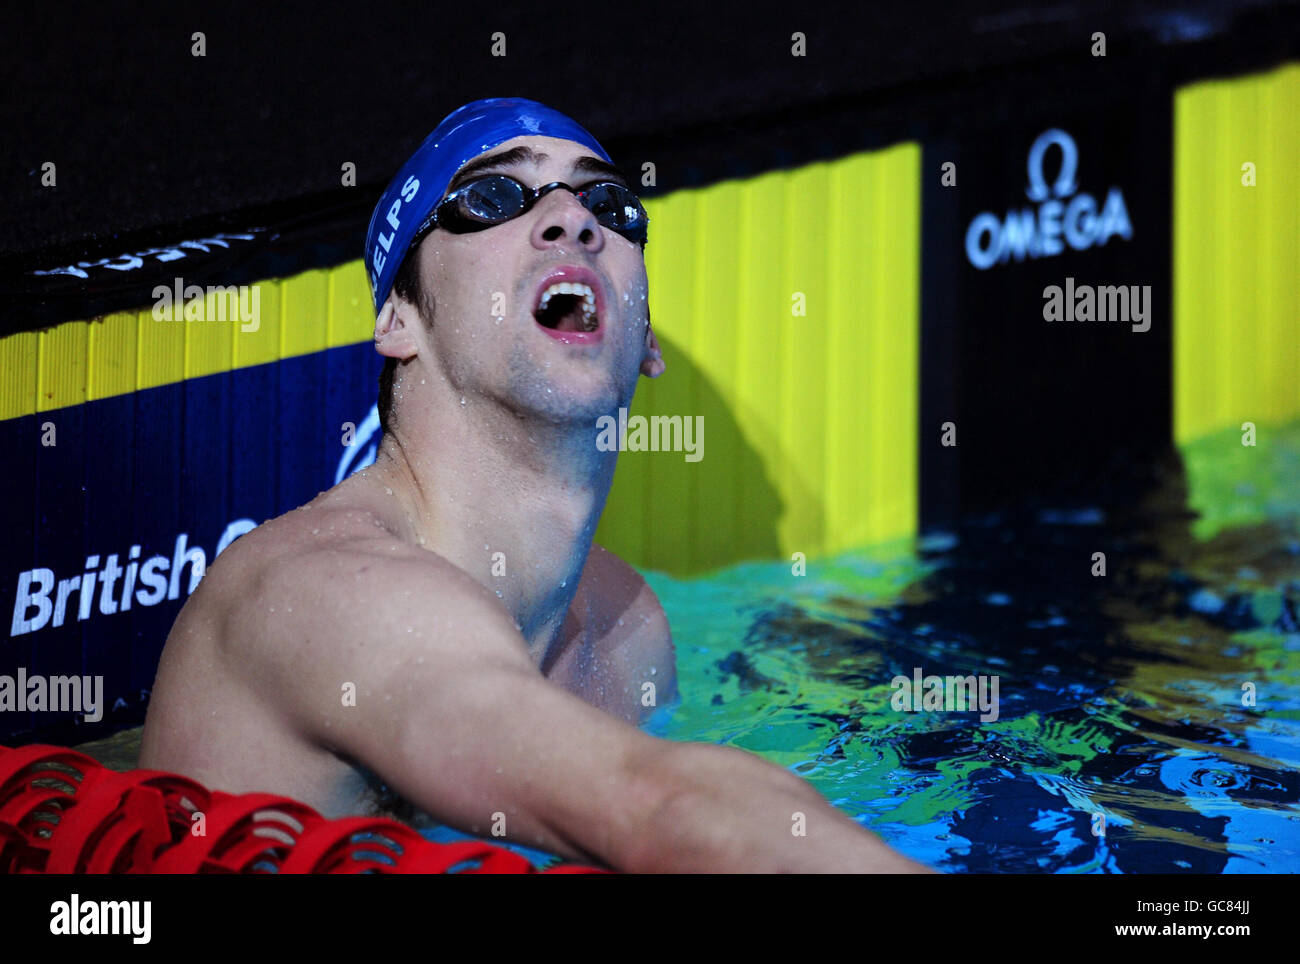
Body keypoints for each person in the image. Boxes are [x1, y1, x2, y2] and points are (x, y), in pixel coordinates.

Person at [140, 97, 930, 873]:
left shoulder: (627, 632)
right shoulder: (332, 593)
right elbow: (668, 815)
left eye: (611, 205)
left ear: (645, 341)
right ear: (399, 320)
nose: (573, 222)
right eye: (493, 197)